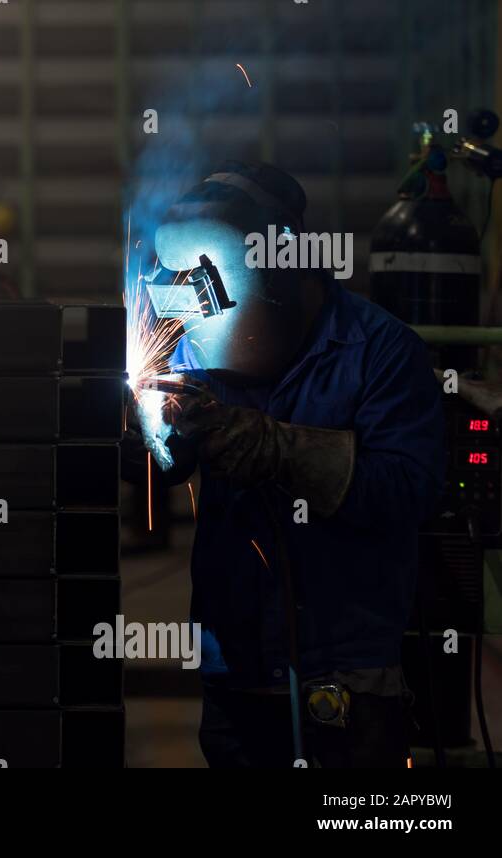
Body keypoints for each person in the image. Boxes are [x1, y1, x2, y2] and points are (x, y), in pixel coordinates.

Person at [131, 161, 444, 767]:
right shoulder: (192, 345)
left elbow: (411, 490)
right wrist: (145, 434)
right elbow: (154, 474)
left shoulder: (382, 351)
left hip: (349, 676)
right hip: (234, 671)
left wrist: (280, 449)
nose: (199, 311)